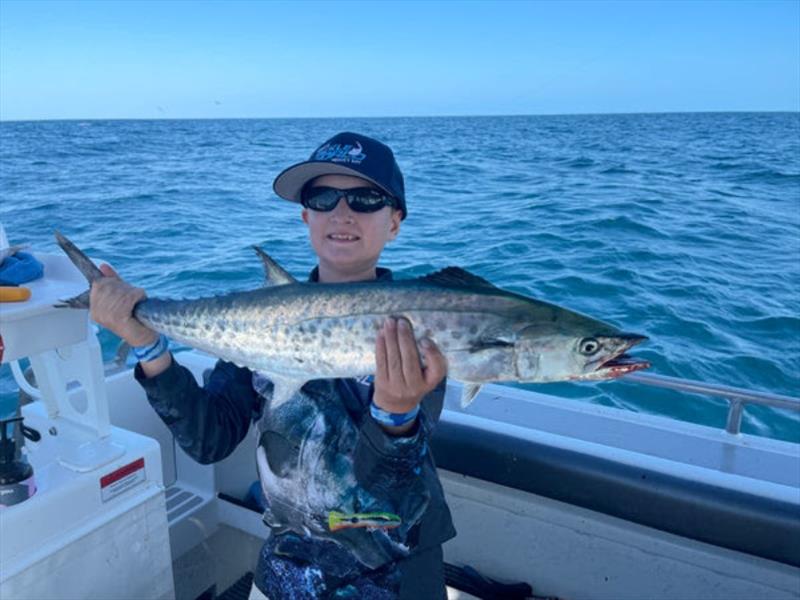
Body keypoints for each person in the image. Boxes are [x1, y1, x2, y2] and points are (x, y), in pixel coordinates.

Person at [90, 132, 457, 599]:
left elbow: (388, 493)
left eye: (365, 198)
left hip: (398, 571)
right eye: (323, 198)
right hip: (290, 567)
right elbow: (209, 438)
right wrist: (147, 344)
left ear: (395, 221)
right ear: (306, 216)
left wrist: (394, 416)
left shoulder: (420, 321)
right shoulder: (261, 320)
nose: (342, 213)